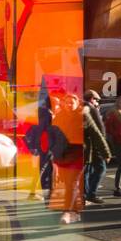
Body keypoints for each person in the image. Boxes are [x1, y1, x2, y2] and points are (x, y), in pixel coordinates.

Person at [48, 92, 84, 224]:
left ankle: (67, 213)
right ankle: (75, 212)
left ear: (77, 103)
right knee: (69, 184)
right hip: (62, 156)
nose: (69, 105)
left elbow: (95, 133)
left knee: (71, 184)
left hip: (78, 155)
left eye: (72, 102)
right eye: (67, 102)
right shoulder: (59, 117)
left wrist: (104, 151)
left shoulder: (82, 117)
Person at [82, 89, 111, 204]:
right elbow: (98, 130)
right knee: (100, 168)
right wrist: (104, 150)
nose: (98, 103)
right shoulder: (90, 108)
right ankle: (90, 194)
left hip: (90, 146)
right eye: (97, 100)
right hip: (94, 146)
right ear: (92, 99)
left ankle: (86, 194)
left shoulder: (87, 108)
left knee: (88, 171)